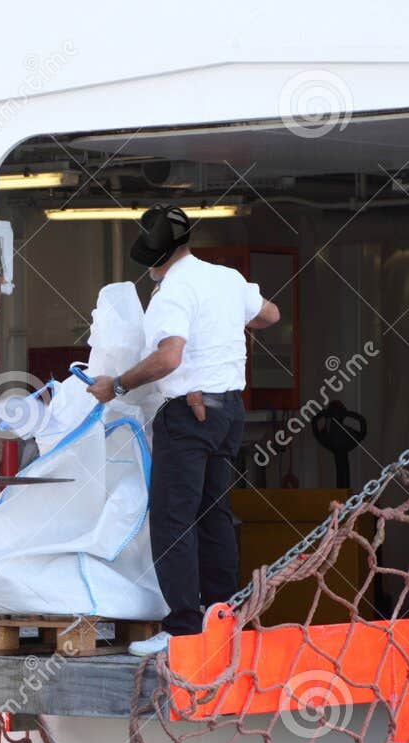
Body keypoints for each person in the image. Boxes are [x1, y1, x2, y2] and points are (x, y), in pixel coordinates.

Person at [89, 205, 280, 657]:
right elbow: (269, 315)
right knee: (214, 516)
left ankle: (182, 630)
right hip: (229, 412)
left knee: (174, 520)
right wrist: (233, 320)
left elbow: (169, 358)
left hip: (188, 413)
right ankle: (222, 620)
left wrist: (116, 385)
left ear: (155, 260)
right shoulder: (227, 278)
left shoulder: (172, 291)